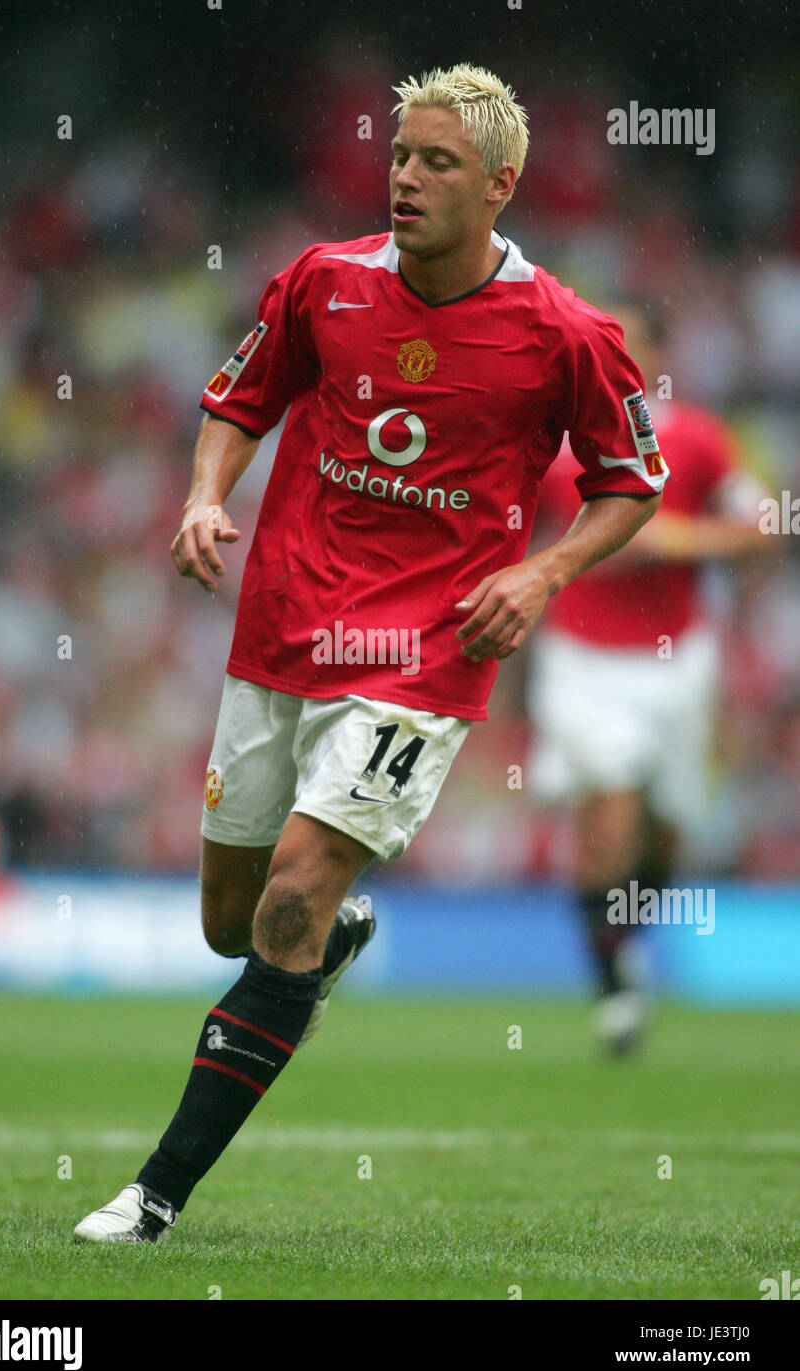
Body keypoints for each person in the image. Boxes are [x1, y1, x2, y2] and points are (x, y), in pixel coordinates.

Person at [75, 63, 665, 1243]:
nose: (405, 178)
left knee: (291, 893)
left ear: (497, 186)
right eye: (400, 156)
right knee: (233, 924)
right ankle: (324, 947)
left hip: (424, 656)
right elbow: (241, 398)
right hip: (281, 628)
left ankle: (152, 1196)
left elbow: (630, 482)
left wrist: (540, 570)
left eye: (436, 163)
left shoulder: (565, 332)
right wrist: (201, 498)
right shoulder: (321, 282)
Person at [526, 300, 769, 1053]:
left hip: (677, 664)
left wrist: (670, 539)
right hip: (582, 659)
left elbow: (766, 526)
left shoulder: (697, 437)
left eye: (628, 342)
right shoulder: (553, 443)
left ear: (658, 353)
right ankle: (612, 984)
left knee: (662, 833)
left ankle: (624, 946)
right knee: (611, 808)